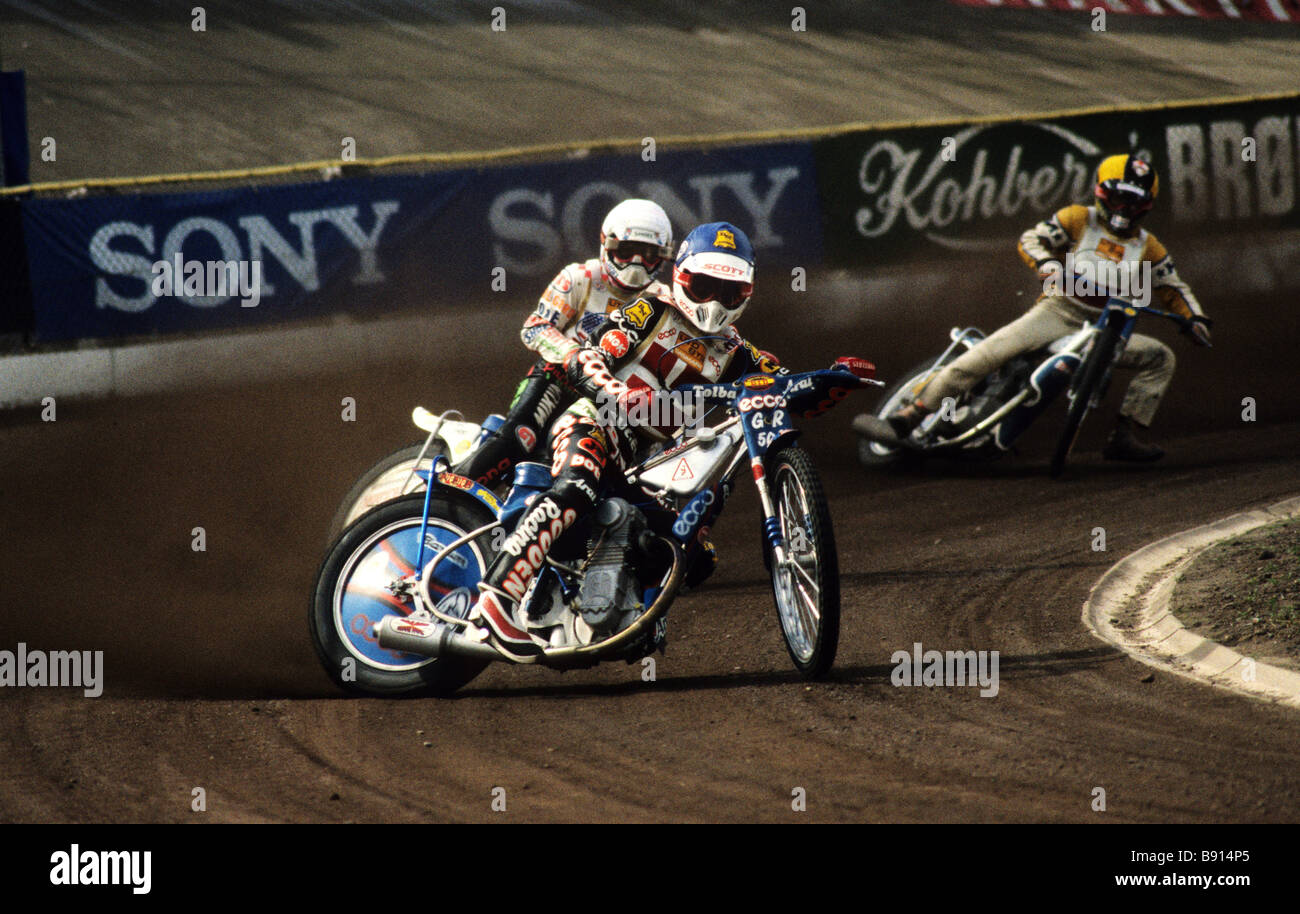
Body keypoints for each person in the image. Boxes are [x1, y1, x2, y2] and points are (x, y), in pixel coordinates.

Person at [469, 222, 783, 659]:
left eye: (727, 292)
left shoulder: (737, 351)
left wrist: (829, 382)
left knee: (693, 553)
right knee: (573, 484)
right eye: (705, 285)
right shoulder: (651, 310)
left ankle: (623, 610)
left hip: (643, 464)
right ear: (683, 277)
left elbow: (780, 387)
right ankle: (496, 600)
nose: (713, 302)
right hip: (594, 423)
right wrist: (616, 393)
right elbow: (590, 353)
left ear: (745, 294)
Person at [855, 153, 1210, 462]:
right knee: (986, 356)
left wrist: (1193, 318)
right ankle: (911, 415)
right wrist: (1047, 263)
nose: (1124, 208)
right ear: (1103, 192)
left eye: (1133, 201)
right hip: (1058, 313)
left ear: (1146, 205)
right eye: (1119, 198)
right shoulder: (1077, 219)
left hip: (1107, 329)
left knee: (1161, 357)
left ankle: (1123, 435)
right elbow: (1032, 238)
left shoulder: (1150, 247)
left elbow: (1172, 286)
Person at [451, 198, 675, 488]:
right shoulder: (581, 278)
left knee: (639, 473)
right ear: (606, 244)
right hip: (558, 377)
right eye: (628, 252)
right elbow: (534, 327)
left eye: (648, 255)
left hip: (609, 398)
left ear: (664, 256)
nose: (636, 264)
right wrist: (572, 354)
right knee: (518, 439)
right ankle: (445, 496)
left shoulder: (662, 301)